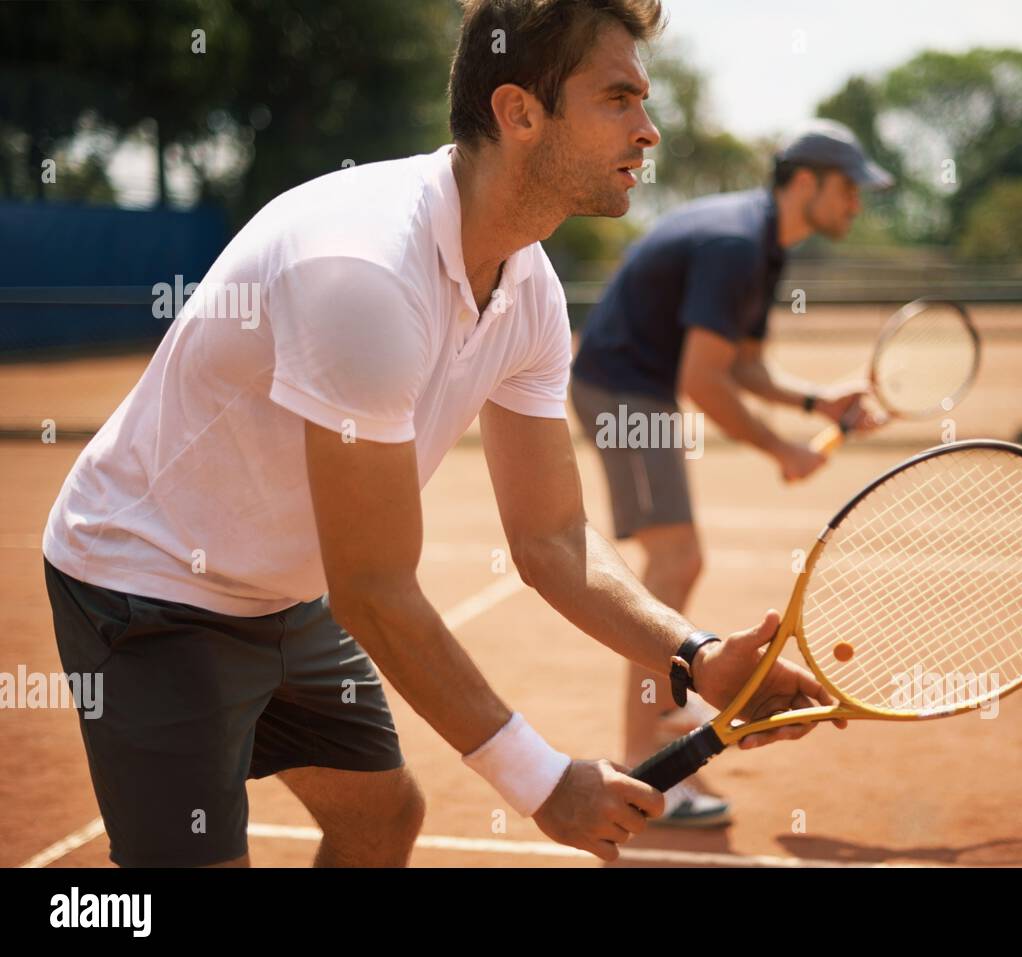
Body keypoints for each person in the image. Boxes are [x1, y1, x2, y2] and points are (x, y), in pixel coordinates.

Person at [41, 0, 836, 868]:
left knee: (383, 820)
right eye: (618, 98)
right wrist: (541, 780)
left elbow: (552, 540)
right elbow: (375, 588)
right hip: (147, 583)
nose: (649, 131)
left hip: (278, 592)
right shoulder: (364, 275)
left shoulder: (527, 286)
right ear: (519, 112)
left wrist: (697, 654)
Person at [570, 118, 894, 826]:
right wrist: (784, 449)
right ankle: (644, 762)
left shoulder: (764, 245)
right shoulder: (737, 244)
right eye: (848, 188)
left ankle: (655, 727)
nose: (857, 203)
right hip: (622, 387)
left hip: (638, 386)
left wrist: (817, 401)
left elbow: (741, 363)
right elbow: (704, 380)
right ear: (804, 182)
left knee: (676, 560)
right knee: (675, 558)